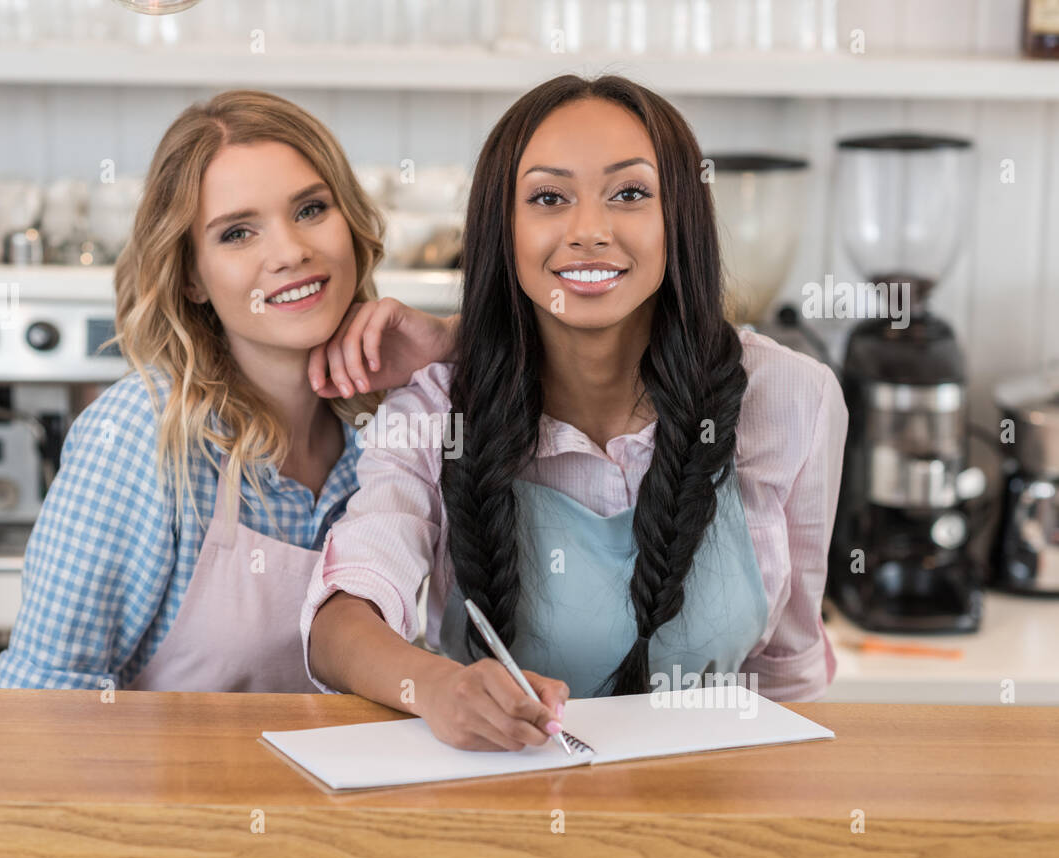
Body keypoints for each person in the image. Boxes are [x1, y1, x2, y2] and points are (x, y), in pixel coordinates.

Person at [302, 75, 847, 751]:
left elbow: (787, 677)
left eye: (629, 193)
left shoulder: (791, 396)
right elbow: (338, 621)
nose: (589, 231)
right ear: (503, 230)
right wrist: (434, 685)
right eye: (549, 197)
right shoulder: (439, 407)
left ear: (679, 218)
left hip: (711, 814)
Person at [0, 90, 456, 691]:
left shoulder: (392, 430)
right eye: (238, 233)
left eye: (311, 210)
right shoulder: (141, 436)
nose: (290, 252)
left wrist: (449, 340)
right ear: (190, 276)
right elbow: (42, 700)